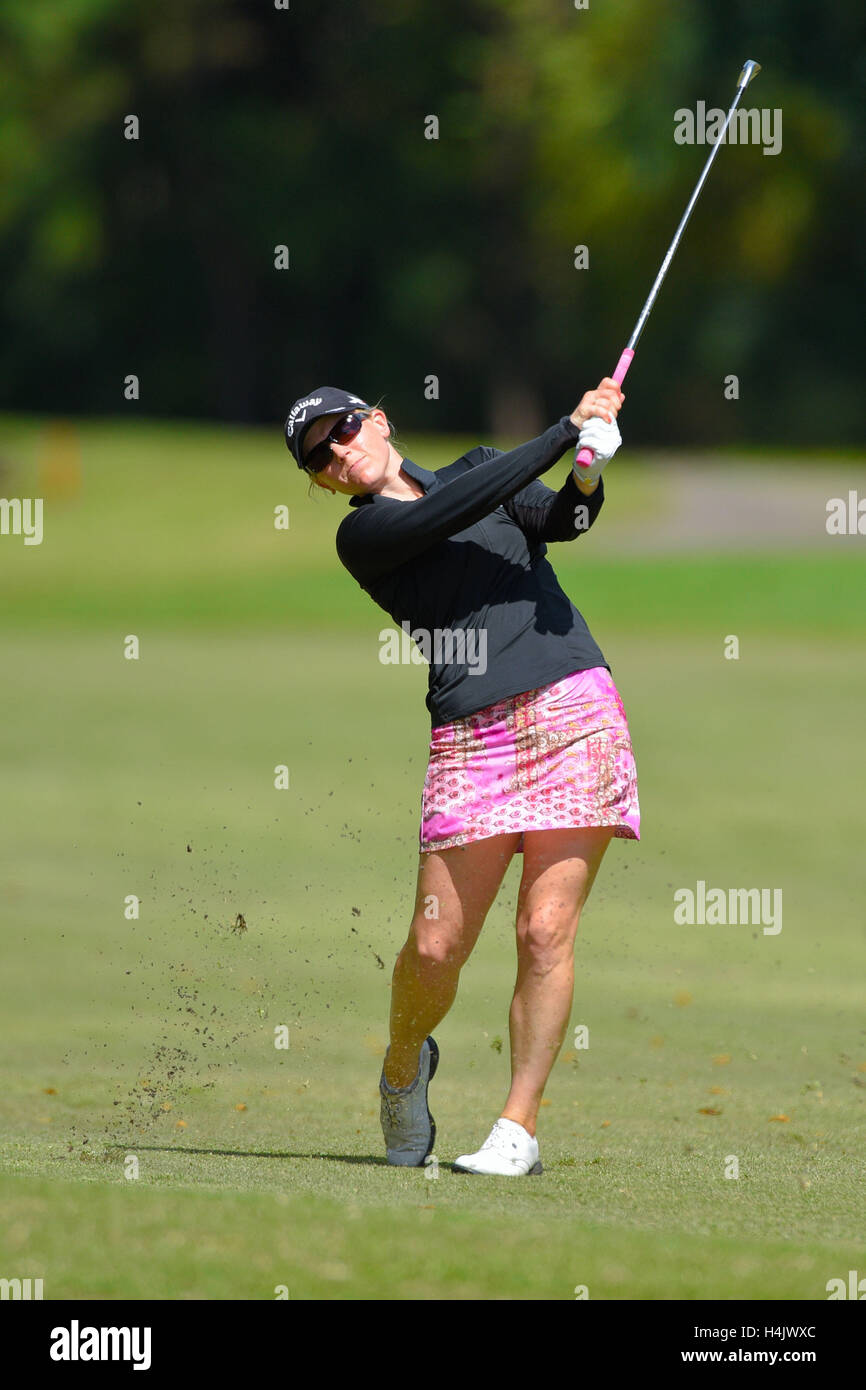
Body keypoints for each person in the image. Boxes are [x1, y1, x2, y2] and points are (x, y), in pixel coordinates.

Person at [284, 380, 639, 1176]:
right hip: (472, 738)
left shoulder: (482, 466)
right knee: (436, 946)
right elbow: (443, 513)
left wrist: (585, 470)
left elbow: (560, 524)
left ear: (377, 421)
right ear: (322, 483)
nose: (338, 452)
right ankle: (405, 1062)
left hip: (573, 705)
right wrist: (560, 431)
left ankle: (518, 1128)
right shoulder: (368, 536)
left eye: (342, 430)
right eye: (320, 458)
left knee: (545, 932)